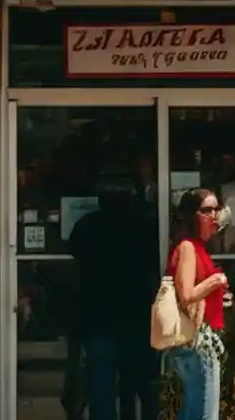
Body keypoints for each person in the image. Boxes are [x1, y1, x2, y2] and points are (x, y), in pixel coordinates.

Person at [68, 171, 160, 420]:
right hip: (135, 317)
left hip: (99, 317)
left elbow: (74, 265)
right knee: (142, 385)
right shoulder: (144, 226)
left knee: (102, 389)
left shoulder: (87, 225)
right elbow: (155, 269)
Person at [165, 188, 229, 420]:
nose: (214, 215)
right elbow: (186, 294)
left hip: (197, 339)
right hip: (197, 342)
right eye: (206, 210)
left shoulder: (196, 247)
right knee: (204, 414)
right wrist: (216, 280)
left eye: (216, 209)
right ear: (191, 216)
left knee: (194, 411)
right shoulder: (188, 247)